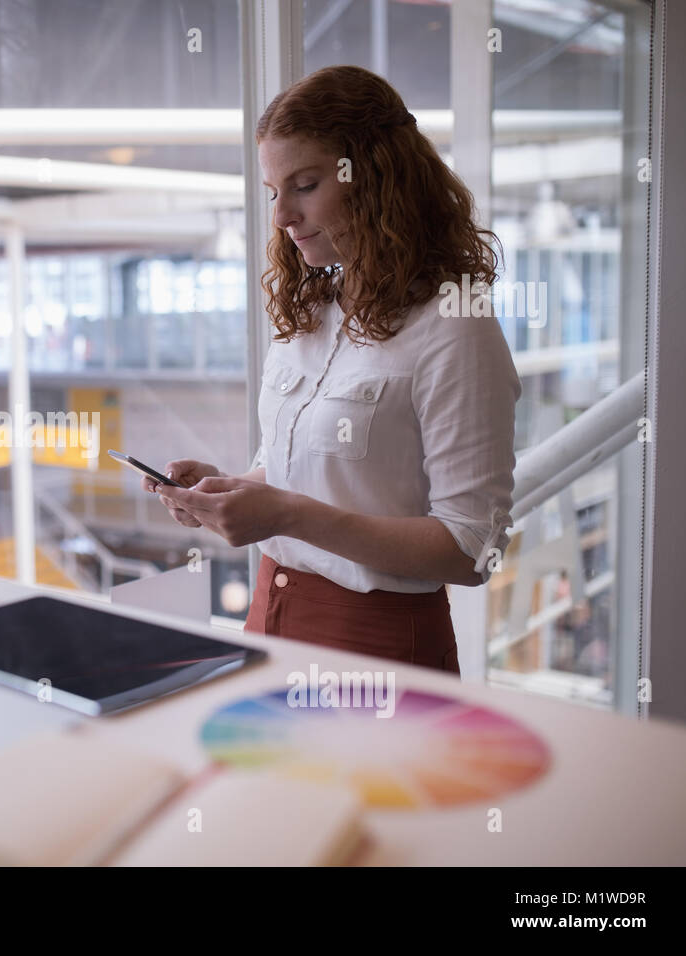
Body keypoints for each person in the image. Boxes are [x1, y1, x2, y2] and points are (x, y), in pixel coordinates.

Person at [144, 65, 521, 675]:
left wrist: (288, 515)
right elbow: (305, 469)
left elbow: (471, 548)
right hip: (270, 615)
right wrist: (230, 490)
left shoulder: (456, 325)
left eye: (306, 184)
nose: (282, 216)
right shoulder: (311, 312)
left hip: (377, 645)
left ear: (377, 179)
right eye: (273, 191)